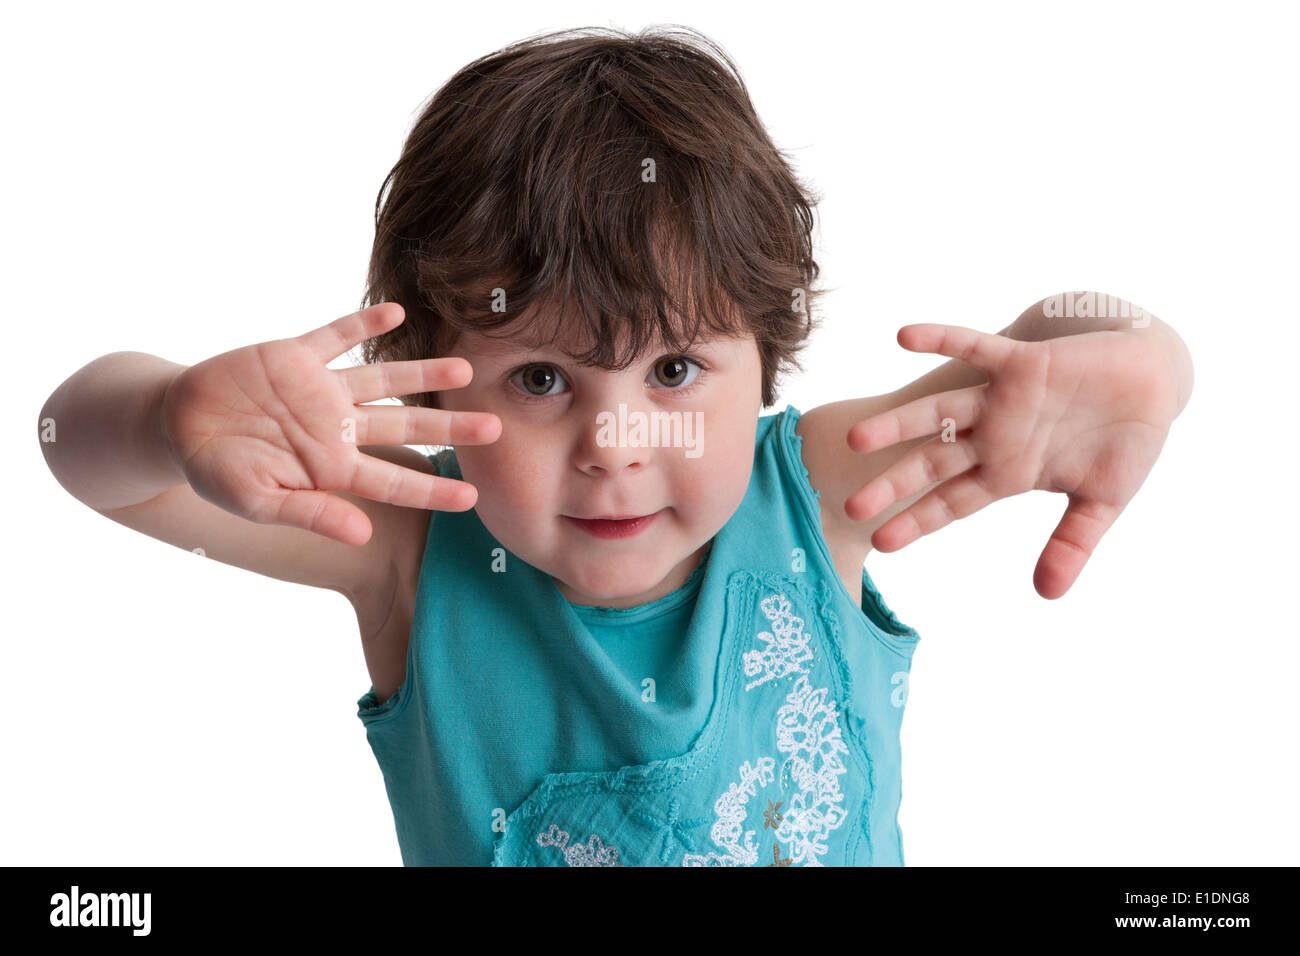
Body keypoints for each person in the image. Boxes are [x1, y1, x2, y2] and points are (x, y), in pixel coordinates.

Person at [38, 25, 1193, 866]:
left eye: (675, 371)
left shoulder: (819, 488)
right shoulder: (407, 545)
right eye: (541, 378)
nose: (614, 440)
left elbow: (1059, 341)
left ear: (765, 358)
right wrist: (163, 416)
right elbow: (81, 455)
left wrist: (1148, 352)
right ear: (426, 380)